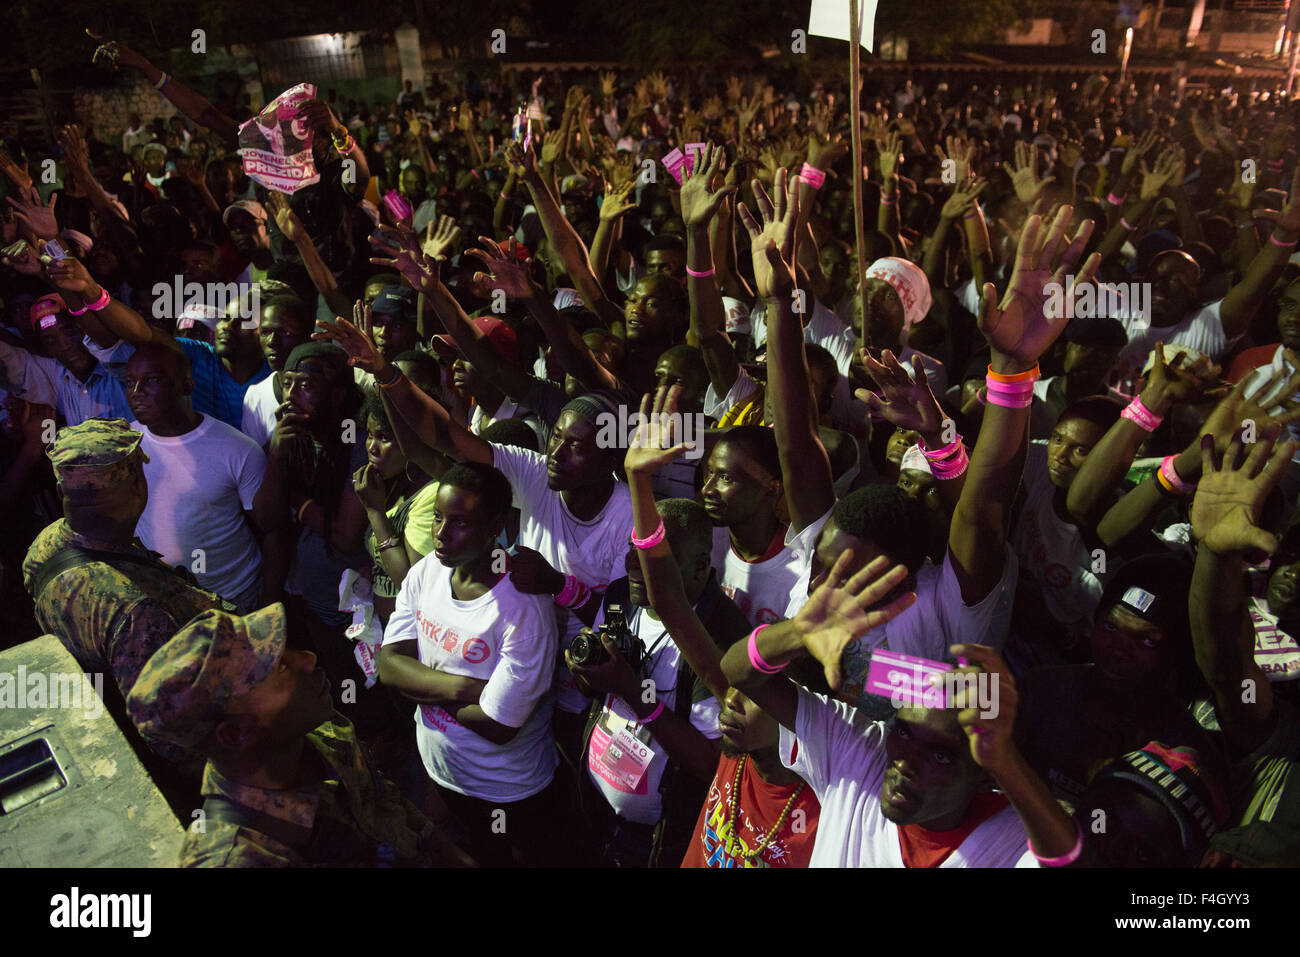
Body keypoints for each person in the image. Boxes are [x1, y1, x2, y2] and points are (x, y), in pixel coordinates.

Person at [125, 604, 473, 867]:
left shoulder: (322, 732)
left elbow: (388, 805)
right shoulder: (238, 856)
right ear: (235, 733)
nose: (308, 659)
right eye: (280, 667)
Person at [378, 462, 563, 866]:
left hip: (506, 790)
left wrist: (422, 685)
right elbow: (389, 665)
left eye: (460, 522)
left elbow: (500, 727)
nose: (441, 534)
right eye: (438, 518)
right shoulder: (426, 572)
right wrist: (465, 690)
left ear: (495, 525)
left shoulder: (524, 610)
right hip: (442, 770)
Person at [125, 342, 270, 612]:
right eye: (130, 381)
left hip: (233, 596)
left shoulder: (237, 449)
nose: (136, 392)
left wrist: (270, 601)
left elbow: (272, 531)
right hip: (161, 597)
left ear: (187, 386)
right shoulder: (126, 444)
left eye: (152, 380)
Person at [0, 295, 134, 426]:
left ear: (86, 329)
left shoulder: (122, 367)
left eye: (71, 332)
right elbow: (13, 364)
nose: (65, 346)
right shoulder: (59, 378)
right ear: (47, 350)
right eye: (51, 341)